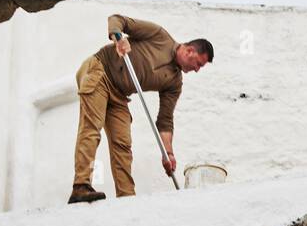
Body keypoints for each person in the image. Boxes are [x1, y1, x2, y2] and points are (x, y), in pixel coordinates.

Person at [70, 14, 212, 204]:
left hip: (120, 94)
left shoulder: (175, 82)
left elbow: (165, 120)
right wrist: (118, 39)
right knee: (92, 128)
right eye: (198, 64)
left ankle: (127, 199)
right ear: (189, 50)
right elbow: (117, 19)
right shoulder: (159, 35)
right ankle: (81, 186)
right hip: (100, 70)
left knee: (123, 144)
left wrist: (167, 153)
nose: (197, 70)